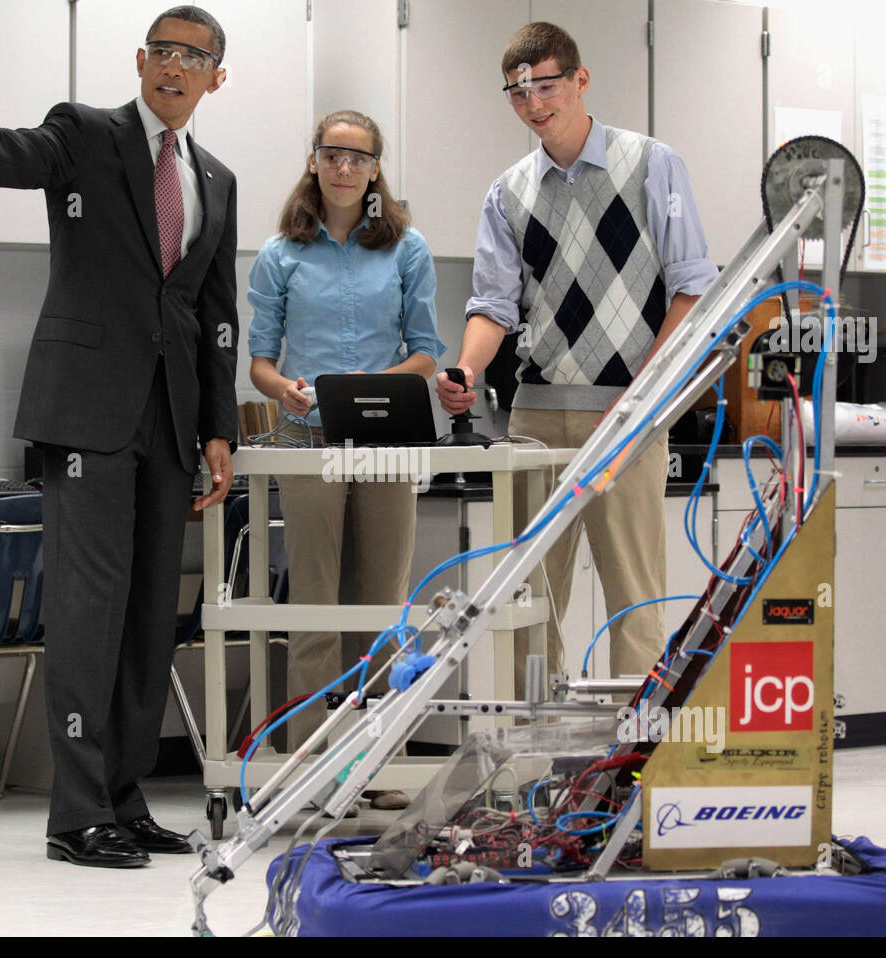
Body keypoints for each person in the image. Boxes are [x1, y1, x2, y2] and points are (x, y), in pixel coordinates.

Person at [0, 6, 239, 867]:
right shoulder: (85, 135)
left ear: (216, 78)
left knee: (147, 622)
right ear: (139, 60)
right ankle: (76, 812)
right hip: (87, 413)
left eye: (193, 57)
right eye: (162, 51)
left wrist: (218, 431)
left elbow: (213, 316)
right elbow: (23, 153)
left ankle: (124, 800)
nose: (174, 66)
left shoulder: (219, 181)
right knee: (89, 613)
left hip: (168, 425)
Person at [437, 22, 718, 686]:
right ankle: (533, 768)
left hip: (628, 419)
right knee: (530, 602)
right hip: (536, 419)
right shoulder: (507, 193)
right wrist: (467, 369)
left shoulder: (652, 163)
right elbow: (493, 305)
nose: (534, 103)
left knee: (636, 603)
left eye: (546, 85)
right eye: (517, 92)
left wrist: (642, 393)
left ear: (581, 80)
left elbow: (693, 287)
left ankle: (630, 768)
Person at [247, 111, 444, 804]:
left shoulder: (406, 247)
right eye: (332, 155)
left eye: (357, 158)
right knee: (314, 605)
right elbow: (260, 363)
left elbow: (426, 350)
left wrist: (374, 389)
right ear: (313, 161)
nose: (343, 168)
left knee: (383, 605)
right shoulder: (282, 254)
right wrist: (285, 391)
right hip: (308, 441)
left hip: (387, 440)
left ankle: (376, 767)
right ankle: (310, 768)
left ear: (375, 169)